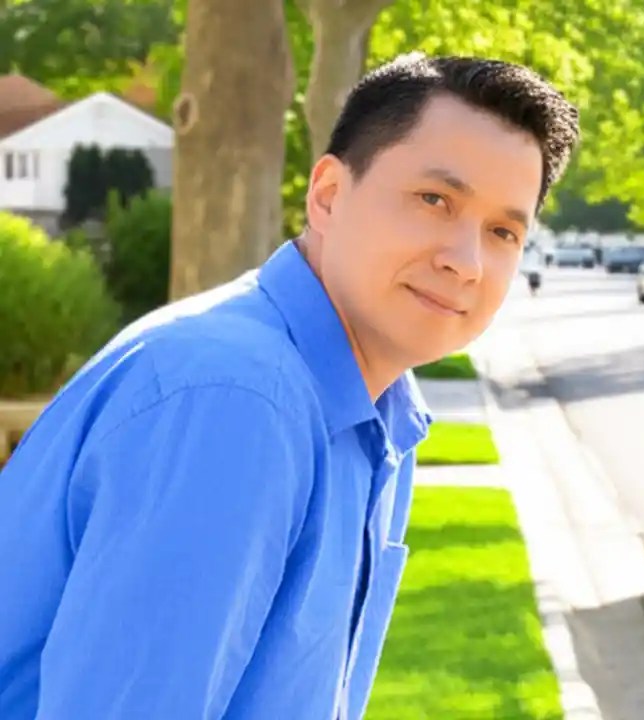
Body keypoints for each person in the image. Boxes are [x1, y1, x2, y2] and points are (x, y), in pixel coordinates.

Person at [0, 53, 579, 720]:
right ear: (328, 194)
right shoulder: (235, 399)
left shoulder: (375, 411)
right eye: (434, 200)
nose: (466, 260)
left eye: (503, 232)